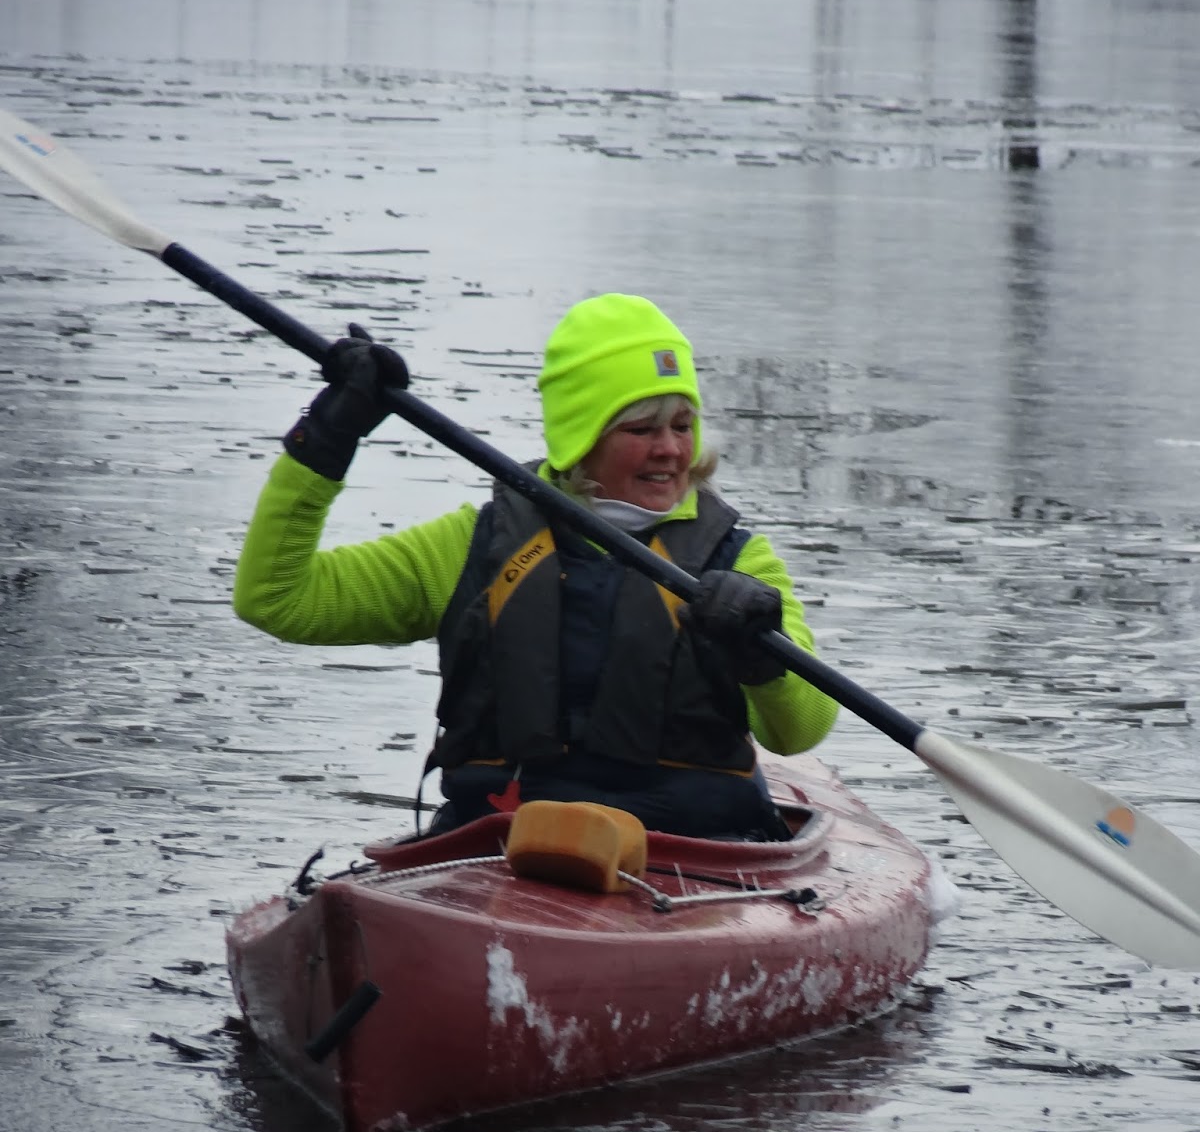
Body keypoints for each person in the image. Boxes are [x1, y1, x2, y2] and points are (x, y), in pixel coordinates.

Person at [233, 294, 839, 839]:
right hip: (502, 849)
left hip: (696, 859)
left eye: (683, 426)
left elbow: (802, 731)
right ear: (580, 438)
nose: (672, 450)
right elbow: (278, 597)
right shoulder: (472, 547)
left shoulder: (736, 564)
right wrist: (327, 441)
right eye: (642, 428)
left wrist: (763, 655)